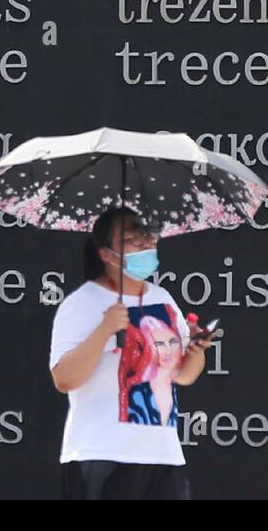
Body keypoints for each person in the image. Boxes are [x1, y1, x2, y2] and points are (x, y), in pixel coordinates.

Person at [49, 206, 213, 500]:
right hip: (101, 454)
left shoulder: (162, 299)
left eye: (148, 234)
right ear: (106, 253)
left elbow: (184, 376)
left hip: (163, 455)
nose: (146, 241)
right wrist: (105, 329)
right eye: (133, 237)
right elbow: (64, 379)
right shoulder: (81, 303)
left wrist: (196, 350)